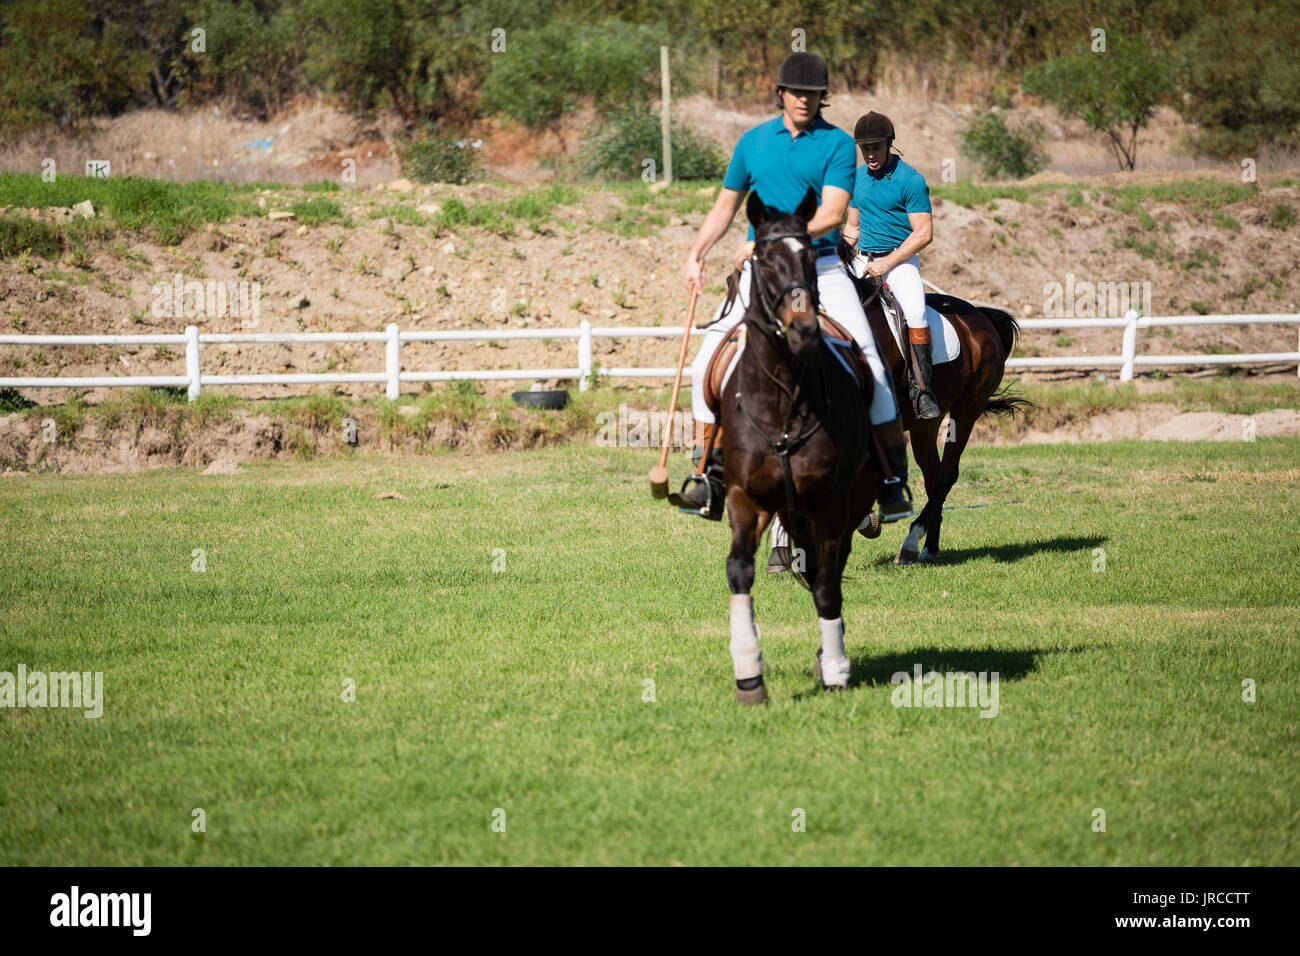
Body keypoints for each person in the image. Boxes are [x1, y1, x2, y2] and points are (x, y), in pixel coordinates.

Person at [673, 52, 913, 530]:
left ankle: (891, 480)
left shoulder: (837, 145)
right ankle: (710, 476)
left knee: (873, 362)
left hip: (818, 268)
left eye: (813, 93)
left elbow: (833, 211)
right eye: (796, 92)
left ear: (822, 97)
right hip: (762, 273)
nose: (804, 99)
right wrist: (696, 252)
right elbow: (725, 206)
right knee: (705, 364)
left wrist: (775, 237)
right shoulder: (753, 142)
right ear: (780, 93)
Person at [843, 111, 940, 420]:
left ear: (889, 144)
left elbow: (924, 232)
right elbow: (853, 228)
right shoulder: (856, 177)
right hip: (864, 259)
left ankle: (921, 390)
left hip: (900, 261)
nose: (871, 154)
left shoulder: (910, 179)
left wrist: (887, 262)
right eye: (865, 148)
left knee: (915, 312)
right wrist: (838, 253)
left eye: (876, 147)